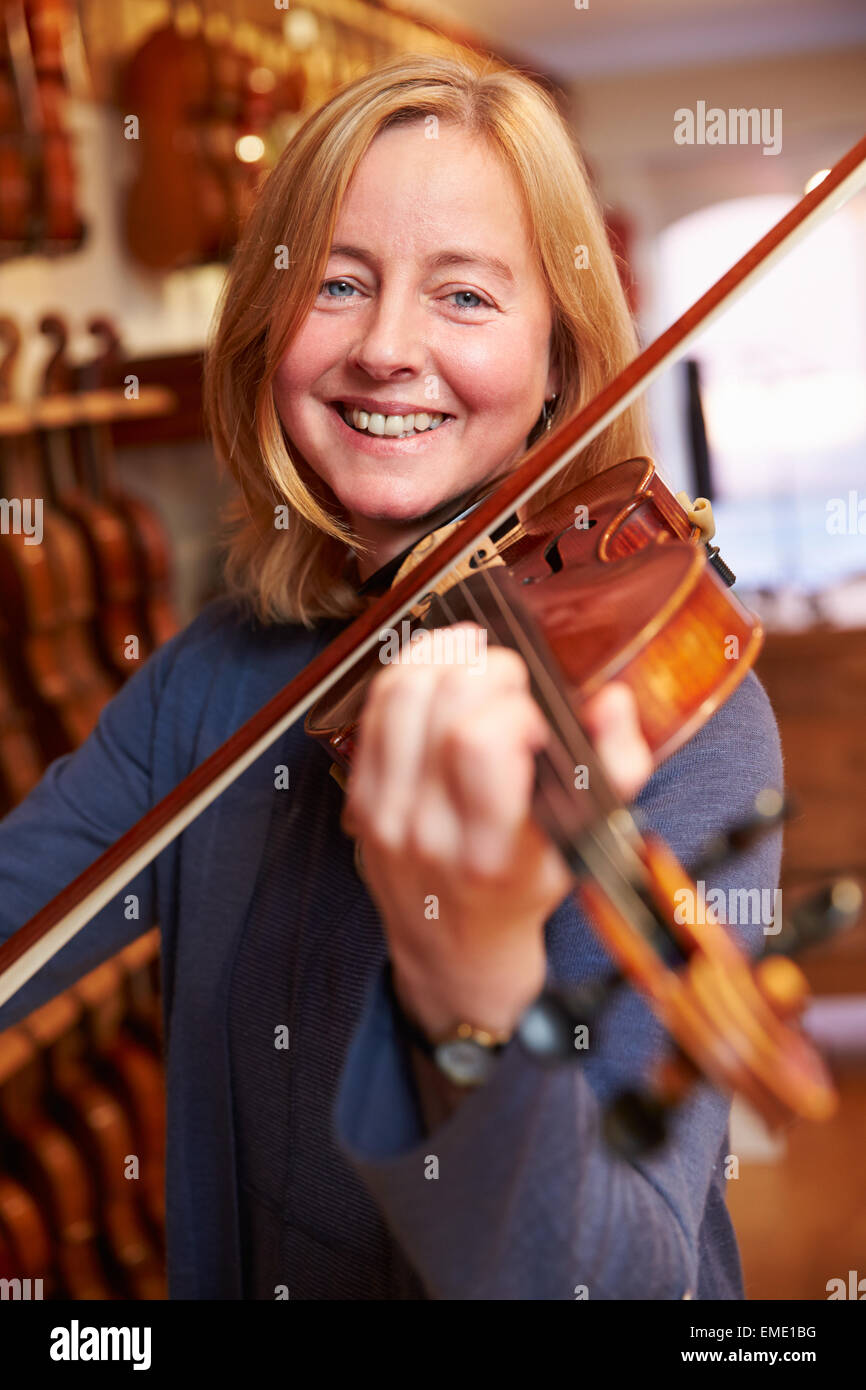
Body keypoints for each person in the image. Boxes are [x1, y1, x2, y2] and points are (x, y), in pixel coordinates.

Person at [0, 51, 782, 1300]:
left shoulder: (671, 720)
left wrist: (468, 985)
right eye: (337, 282)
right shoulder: (222, 669)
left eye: (463, 296)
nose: (383, 348)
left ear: (561, 367)